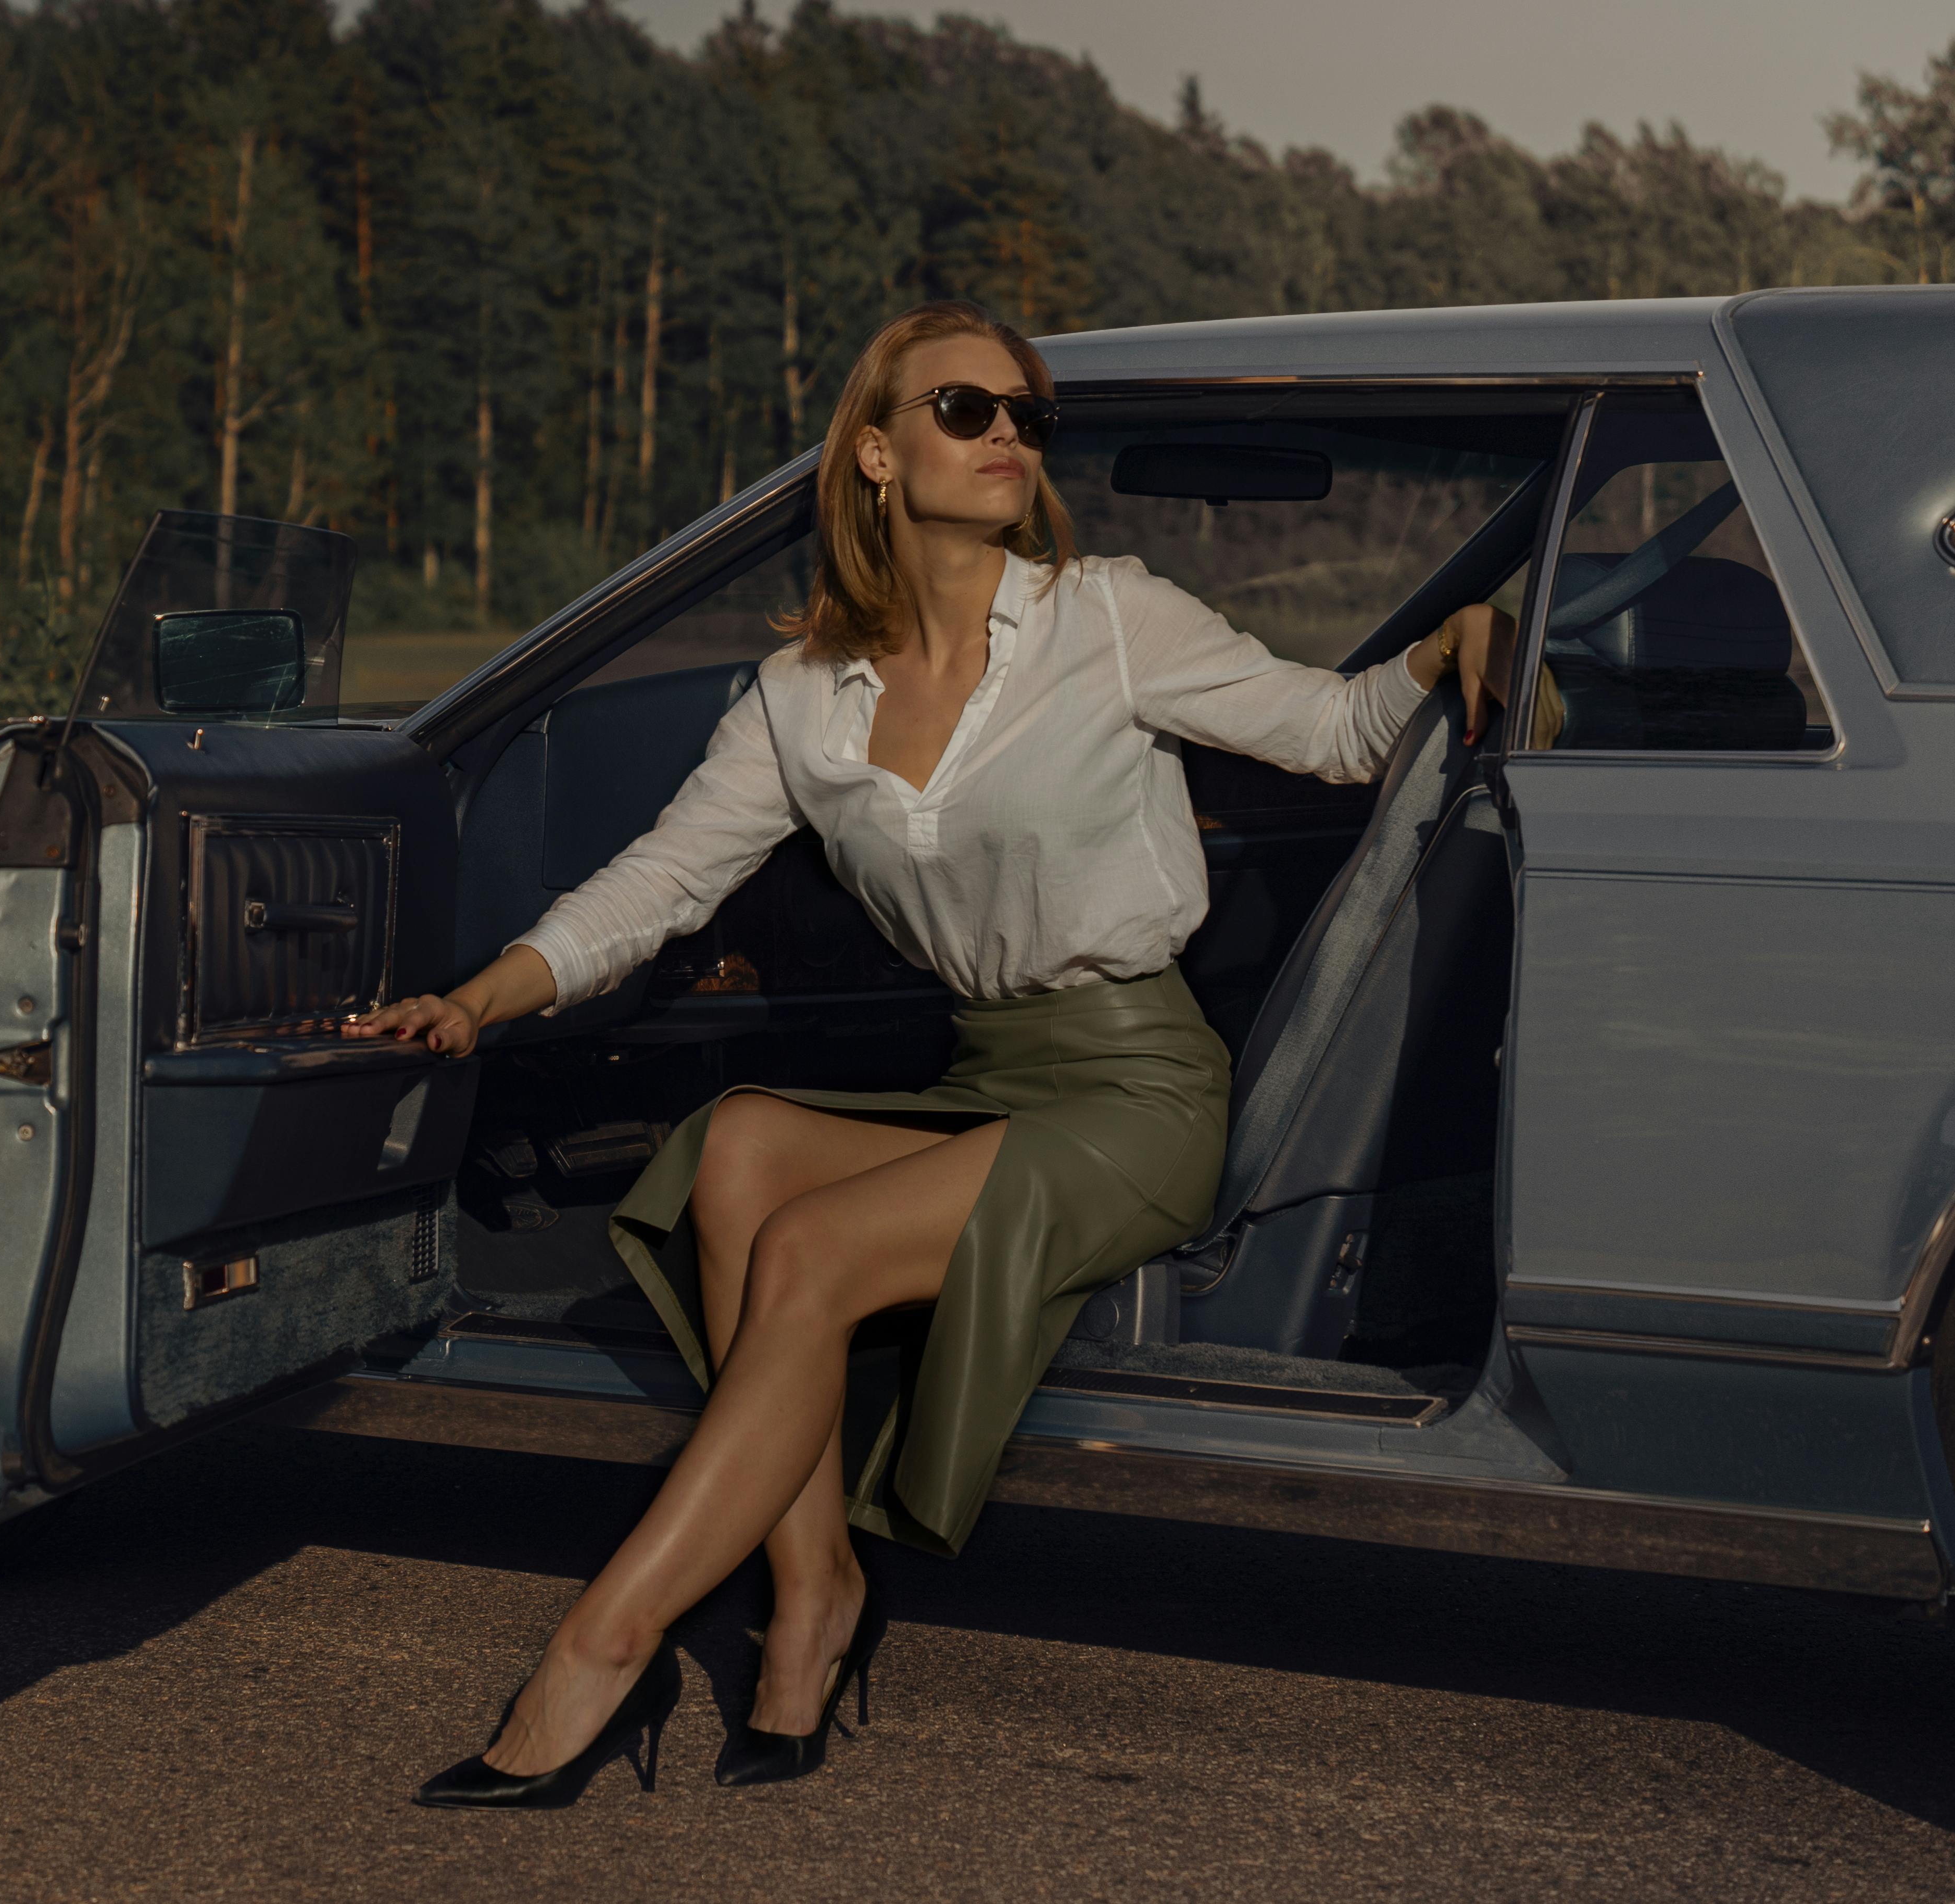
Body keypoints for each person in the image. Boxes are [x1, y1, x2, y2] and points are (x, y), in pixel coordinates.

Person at [342, 299, 1519, 1808]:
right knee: (738, 1155)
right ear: (879, 452)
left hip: (1136, 1087)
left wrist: (1453, 638)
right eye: (969, 409)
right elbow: (658, 885)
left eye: (1027, 414)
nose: (1011, 435)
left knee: (815, 1245)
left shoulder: (1108, 616)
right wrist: (479, 1000)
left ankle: (599, 1645)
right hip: (990, 1070)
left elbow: (1343, 732)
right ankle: (817, 1581)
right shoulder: (798, 700)